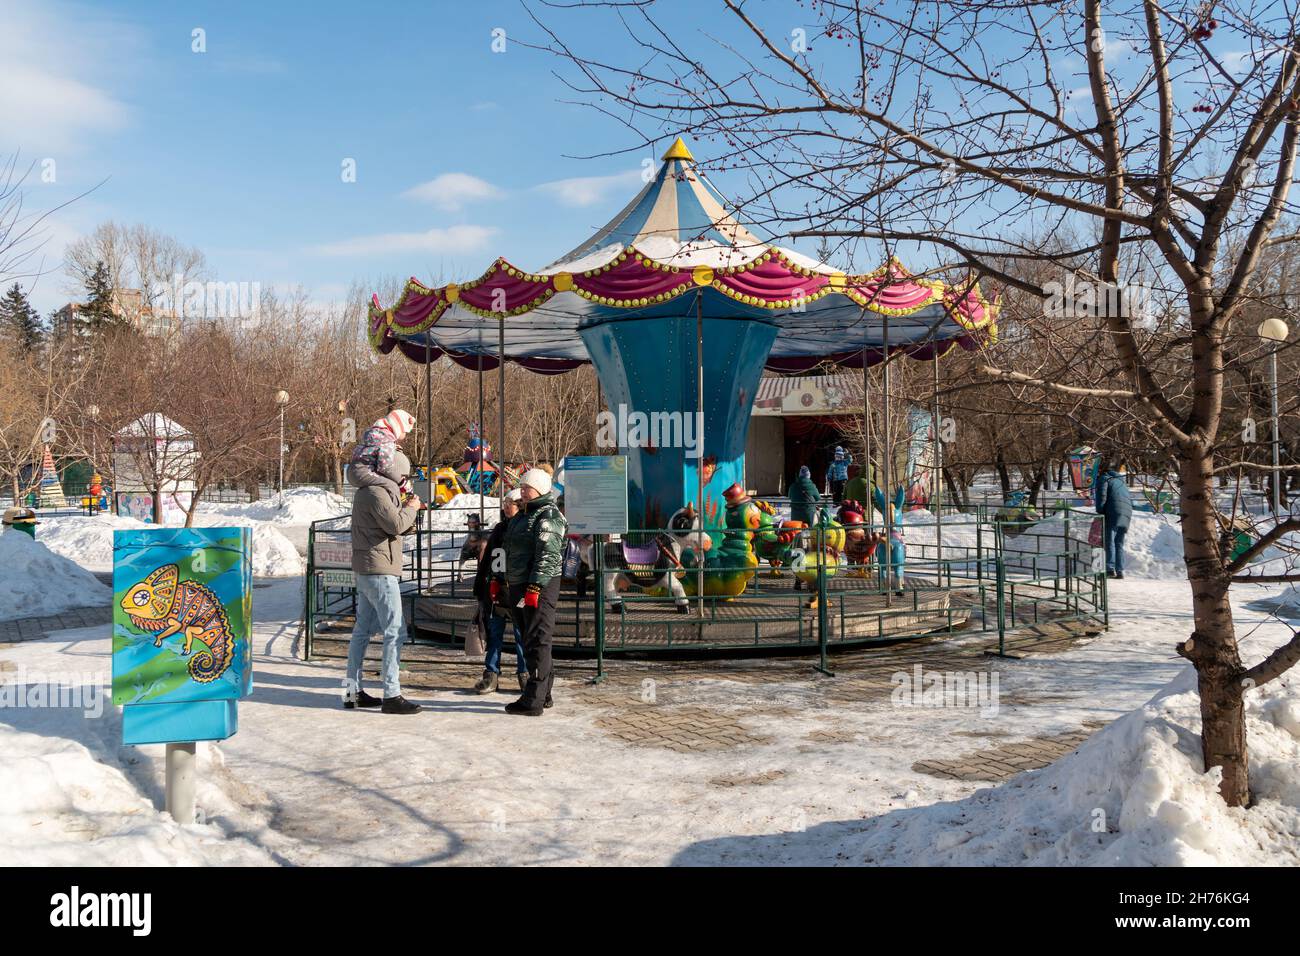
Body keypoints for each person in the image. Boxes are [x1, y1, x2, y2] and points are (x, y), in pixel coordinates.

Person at [345, 450, 424, 714]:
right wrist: (411, 508)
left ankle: (352, 691)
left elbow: (389, 524)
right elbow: (394, 524)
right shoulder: (376, 492)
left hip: (368, 568)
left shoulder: (368, 490)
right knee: (395, 631)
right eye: (401, 475)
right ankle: (392, 694)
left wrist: (403, 513)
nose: (402, 480)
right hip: (379, 570)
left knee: (362, 631)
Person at [503, 468, 567, 716]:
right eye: (521, 487)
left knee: (538, 639)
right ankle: (544, 693)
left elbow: (548, 555)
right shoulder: (524, 515)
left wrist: (535, 586)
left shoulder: (548, 516)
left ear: (539, 488)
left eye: (526, 487)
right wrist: (502, 580)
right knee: (529, 638)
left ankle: (533, 700)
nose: (522, 491)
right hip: (521, 585)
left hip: (539, 586)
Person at [472, 489, 529, 694]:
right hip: (499, 589)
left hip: (519, 589)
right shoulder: (500, 529)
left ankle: (525, 674)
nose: (506, 506)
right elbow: (489, 560)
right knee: (495, 632)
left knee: (521, 634)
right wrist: (482, 586)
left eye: (510, 503)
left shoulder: (527, 527)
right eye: (504, 502)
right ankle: (491, 673)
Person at [348, 409, 416, 501]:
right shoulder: (387, 440)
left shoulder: (376, 435)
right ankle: (394, 509)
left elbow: (373, 450)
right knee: (392, 485)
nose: (405, 435)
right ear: (398, 427)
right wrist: (402, 482)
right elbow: (385, 467)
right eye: (405, 432)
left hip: (354, 469)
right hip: (363, 472)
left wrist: (393, 448)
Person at [1094, 461, 1133, 579]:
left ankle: (1110, 569)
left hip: (1113, 513)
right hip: (1126, 515)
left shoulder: (1104, 479)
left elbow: (1102, 496)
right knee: (1119, 543)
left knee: (1109, 541)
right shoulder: (1121, 482)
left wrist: (1100, 510)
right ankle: (1120, 570)